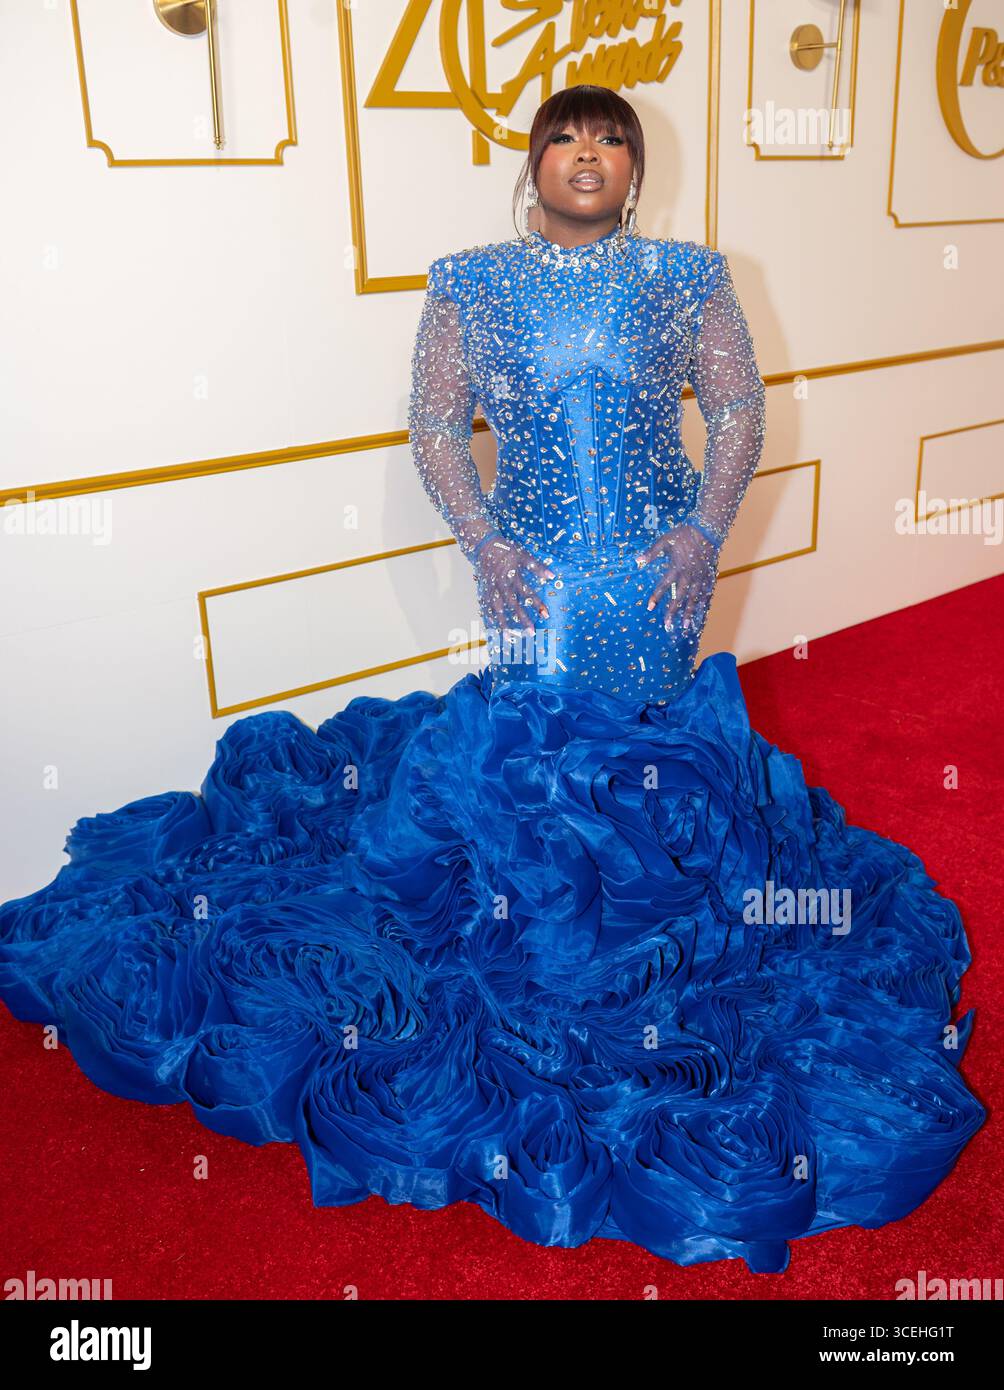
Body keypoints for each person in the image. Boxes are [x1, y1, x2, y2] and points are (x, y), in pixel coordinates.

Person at [0, 86, 984, 1276]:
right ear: (532, 163)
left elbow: (734, 407)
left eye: (611, 139)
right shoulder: (467, 278)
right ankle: (544, 942)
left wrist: (704, 532)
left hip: (652, 571)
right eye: (567, 136)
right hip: (530, 575)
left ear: (633, 167)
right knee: (529, 771)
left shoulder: (686, 274)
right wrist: (486, 544)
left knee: (645, 762)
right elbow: (430, 426)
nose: (589, 154)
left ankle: (641, 931)